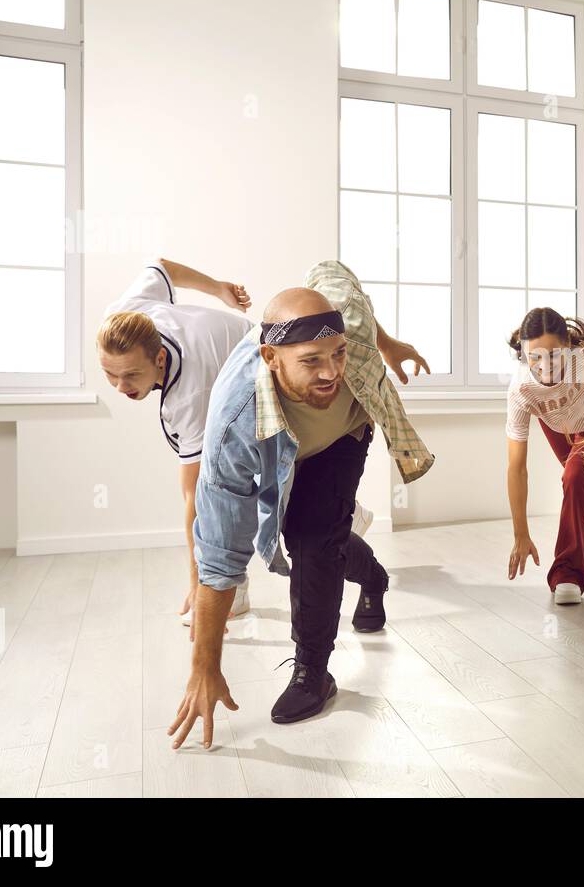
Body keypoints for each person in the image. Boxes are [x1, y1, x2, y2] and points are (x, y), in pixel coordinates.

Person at [168, 262, 434, 739]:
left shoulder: (343, 320)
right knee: (312, 537)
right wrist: (204, 666)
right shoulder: (234, 425)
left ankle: (314, 671)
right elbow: (220, 556)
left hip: (344, 435)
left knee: (315, 539)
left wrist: (388, 346)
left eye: (338, 354)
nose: (331, 372)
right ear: (271, 358)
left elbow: (338, 277)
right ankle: (372, 575)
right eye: (311, 361)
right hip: (279, 446)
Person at [97, 259, 375, 628]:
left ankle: (243, 585)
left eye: (131, 375)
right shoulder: (124, 314)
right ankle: (350, 513)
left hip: (266, 376)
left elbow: (198, 496)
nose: (120, 386)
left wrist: (200, 586)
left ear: (159, 357)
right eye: (109, 375)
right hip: (245, 349)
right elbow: (162, 266)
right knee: (274, 497)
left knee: (253, 494)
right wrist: (218, 288)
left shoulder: (191, 395)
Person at [505, 308, 584, 605]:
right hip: (557, 424)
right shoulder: (522, 389)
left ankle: (568, 572)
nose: (545, 365)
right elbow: (516, 468)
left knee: (574, 476)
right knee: (581, 482)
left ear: (569, 347)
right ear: (523, 352)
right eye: (534, 356)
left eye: (554, 354)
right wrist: (520, 534)